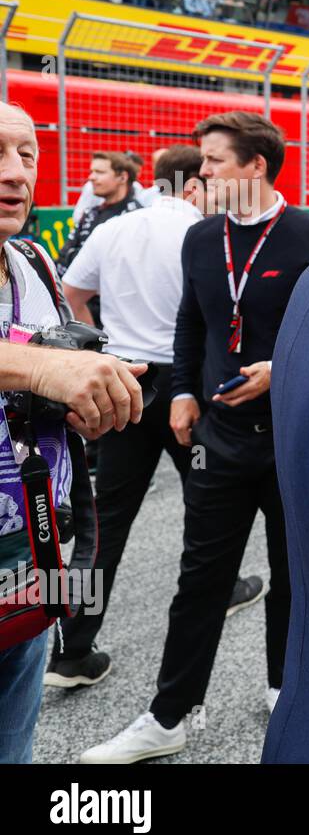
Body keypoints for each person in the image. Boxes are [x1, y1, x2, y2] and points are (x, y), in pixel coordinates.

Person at [79, 113, 309, 763]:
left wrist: (285, 370)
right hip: (219, 441)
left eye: (215, 161)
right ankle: (168, 716)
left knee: (295, 576)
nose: (202, 174)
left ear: (256, 167)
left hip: (294, 440)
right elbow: (190, 321)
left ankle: (287, 687)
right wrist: (186, 391)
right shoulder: (200, 239)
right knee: (200, 581)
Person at [0, 101, 146, 764]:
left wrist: (84, 402)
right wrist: (43, 366)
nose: (14, 175)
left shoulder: (34, 259)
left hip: (29, 545)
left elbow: (43, 394)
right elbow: (37, 367)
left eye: (26, 155)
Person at [53, 146, 206, 687]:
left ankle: (71, 647)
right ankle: (222, 588)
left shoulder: (115, 228)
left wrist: (103, 350)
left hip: (124, 380)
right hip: (187, 384)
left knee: (106, 524)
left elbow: (73, 293)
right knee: (212, 508)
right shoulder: (204, 234)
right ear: (194, 186)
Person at [56, 152, 143, 279]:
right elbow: (63, 258)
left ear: (123, 178)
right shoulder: (90, 213)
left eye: (99, 172)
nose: (91, 177)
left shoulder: (136, 217)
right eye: (92, 171)